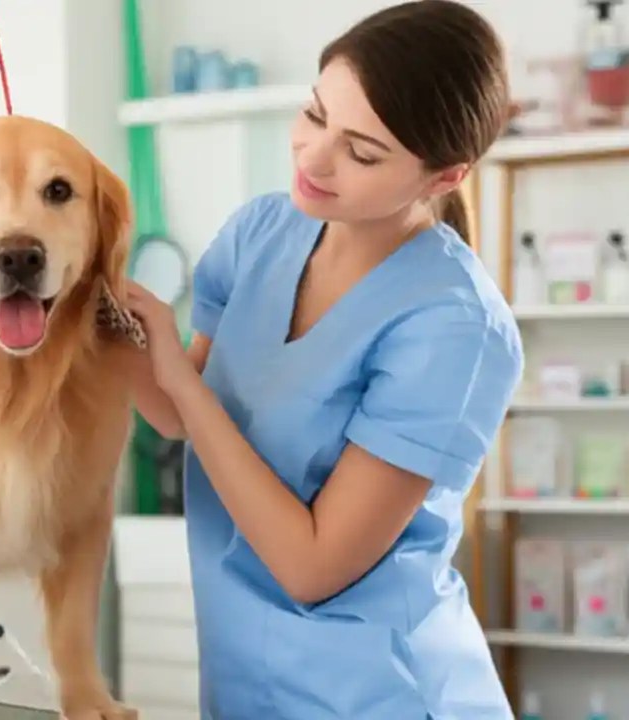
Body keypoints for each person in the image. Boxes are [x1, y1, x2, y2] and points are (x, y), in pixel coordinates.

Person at [124, 1, 523, 718]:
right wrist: (79, 314)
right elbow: (175, 416)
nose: (312, 159)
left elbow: (311, 567)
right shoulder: (259, 234)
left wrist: (181, 379)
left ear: (443, 177)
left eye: (362, 153)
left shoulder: (453, 326)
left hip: (379, 694)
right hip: (245, 684)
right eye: (314, 115)